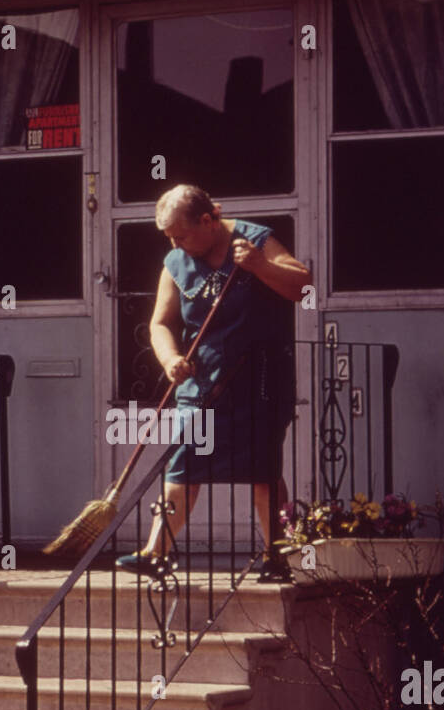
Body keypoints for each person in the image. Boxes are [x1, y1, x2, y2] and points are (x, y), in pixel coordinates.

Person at [116, 184, 311, 576]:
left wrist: (260, 265)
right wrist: (170, 358)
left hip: (260, 381)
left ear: (208, 220)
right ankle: (156, 553)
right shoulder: (175, 262)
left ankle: (278, 557)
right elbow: (160, 323)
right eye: (169, 236)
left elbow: (302, 286)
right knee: (183, 463)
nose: (175, 243)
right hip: (202, 384)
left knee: (263, 471)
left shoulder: (255, 239)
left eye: (181, 234)